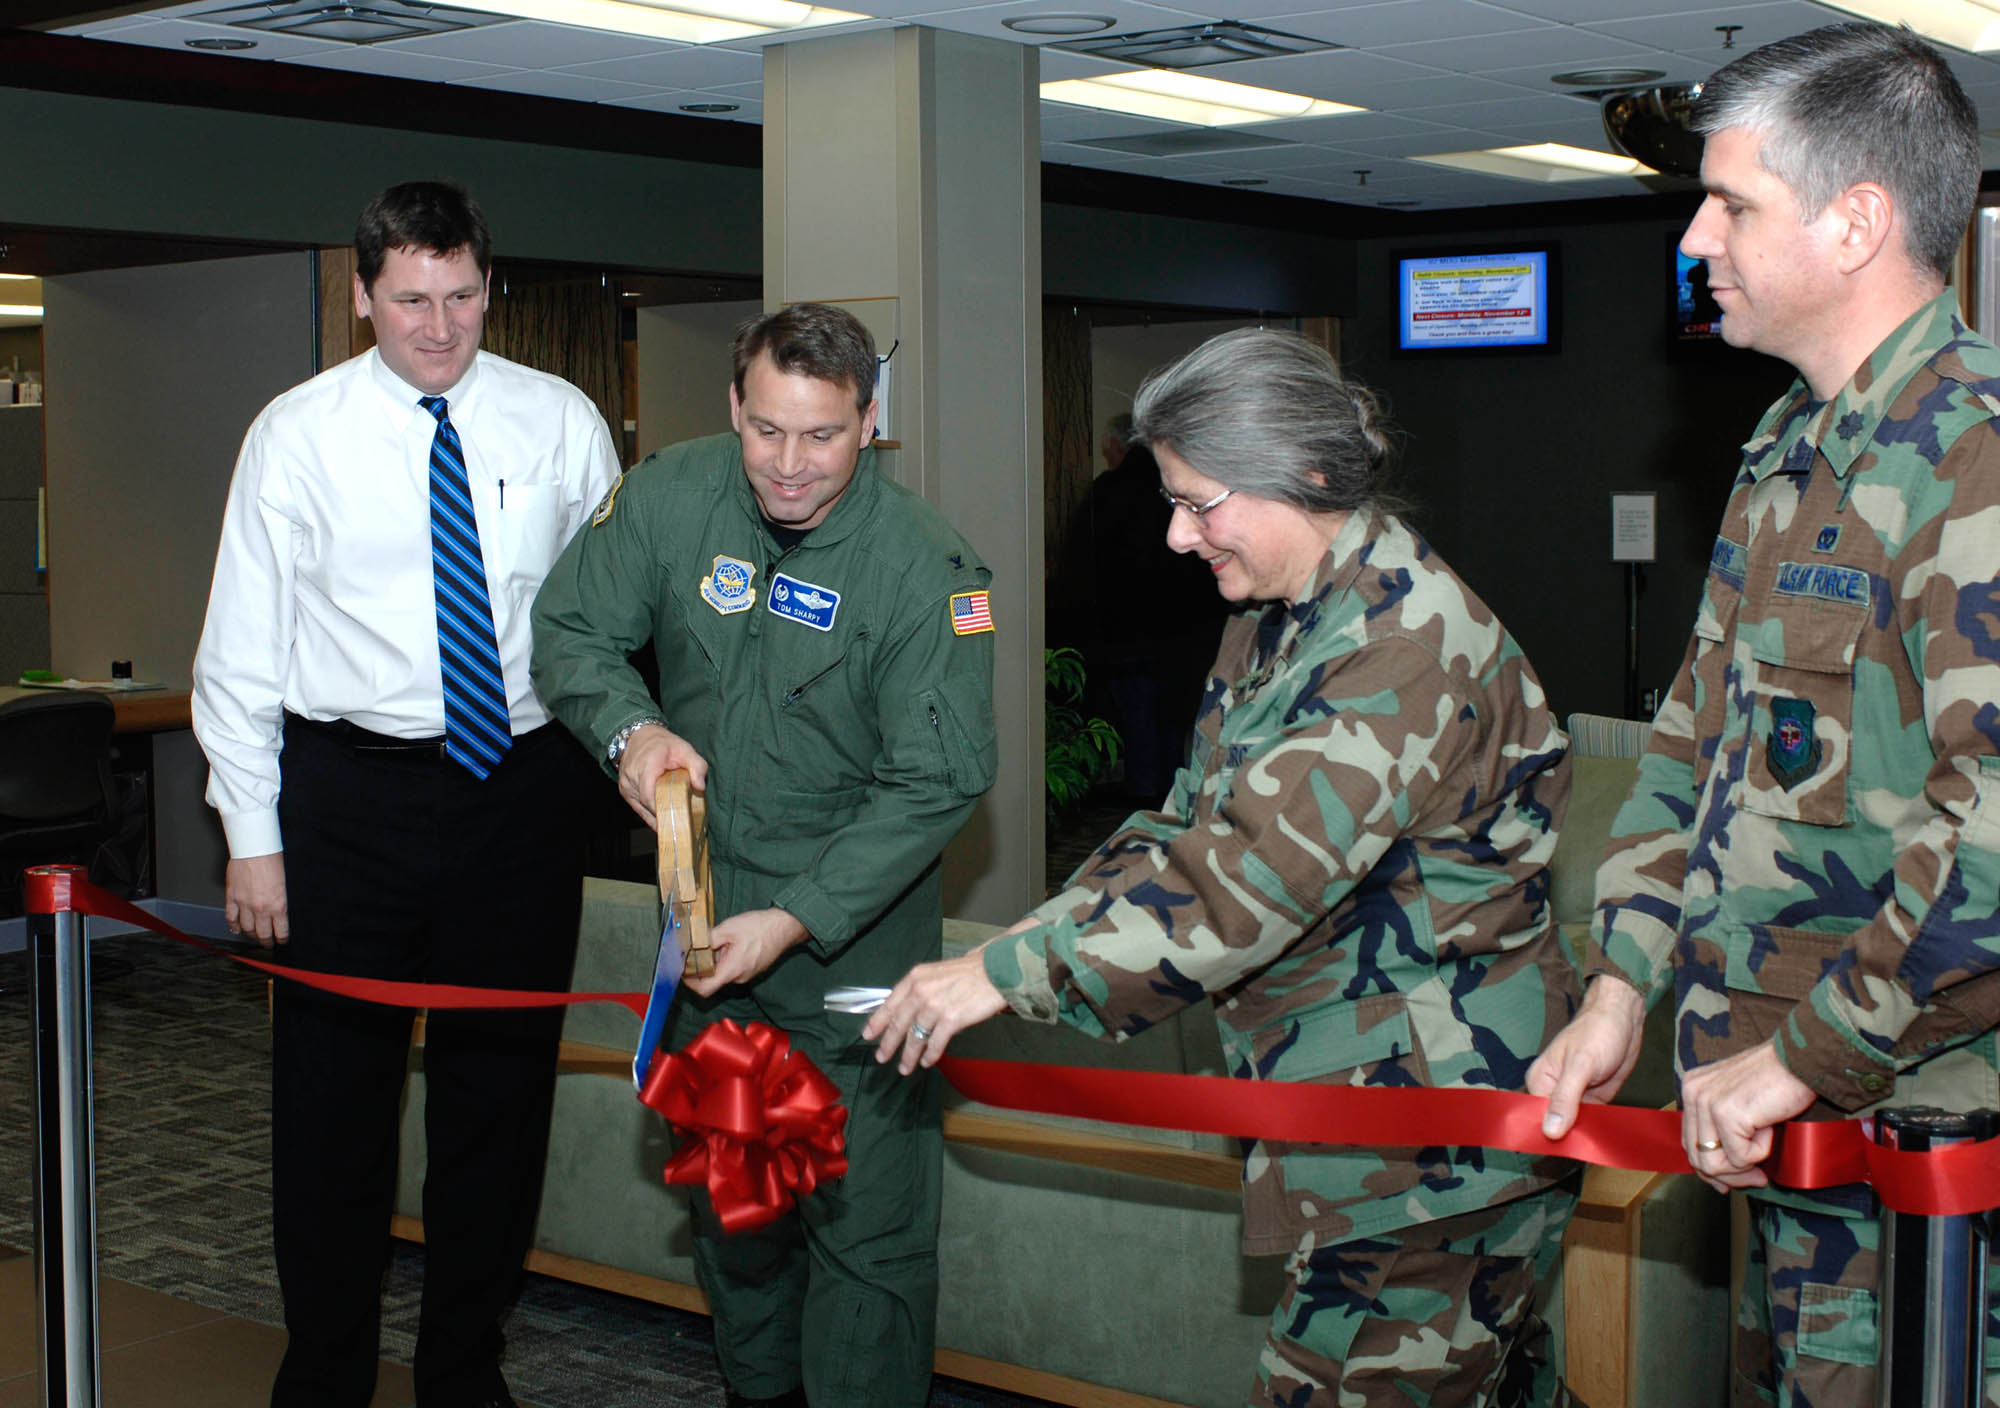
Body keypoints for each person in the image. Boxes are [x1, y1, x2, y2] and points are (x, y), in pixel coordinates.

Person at [864, 329, 1579, 1407]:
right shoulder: (1274, 617)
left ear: (1309, 476)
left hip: (1428, 1140)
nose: (1172, 535)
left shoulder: (1397, 649)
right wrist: (1033, 929)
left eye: (1198, 502)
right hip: (1360, 1111)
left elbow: (1239, 888)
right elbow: (1186, 823)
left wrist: (1005, 979)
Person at [1527, 23, 2000, 1406]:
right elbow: (1697, 746)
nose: (1696, 235)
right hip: (1782, 1129)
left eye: (1732, 200)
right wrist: (1623, 981)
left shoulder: (1972, 465)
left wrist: (1804, 1059)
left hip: (1928, 1153)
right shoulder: (1790, 448)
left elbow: (1993, 850)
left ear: (1856, 223)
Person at [190, 181, 618, 1408]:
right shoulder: (296, 432)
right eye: (412, 300)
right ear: (362, 295)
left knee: (500, 1106)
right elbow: (241, 653)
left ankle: (462, 1372)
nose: (440, 326)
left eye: (464, 296)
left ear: (491, 287)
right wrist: (253, 838)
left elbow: (599, 622)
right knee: (333, 1114)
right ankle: (324, 1373)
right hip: (347, 797)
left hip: (517, 791)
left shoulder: (561, 420)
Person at [529, 301, 998, 1408]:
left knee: (863, 1239)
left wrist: (791, 917)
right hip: (705, 946)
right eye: (767, 430)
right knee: (738, 1214)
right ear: (734, 406)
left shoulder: (924, 568)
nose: (789, 465)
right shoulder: (671, 495)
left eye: (823, 435)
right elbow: (570, 630)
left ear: (869, 421)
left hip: (854, 962)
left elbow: (937, 778)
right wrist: (629, 731)